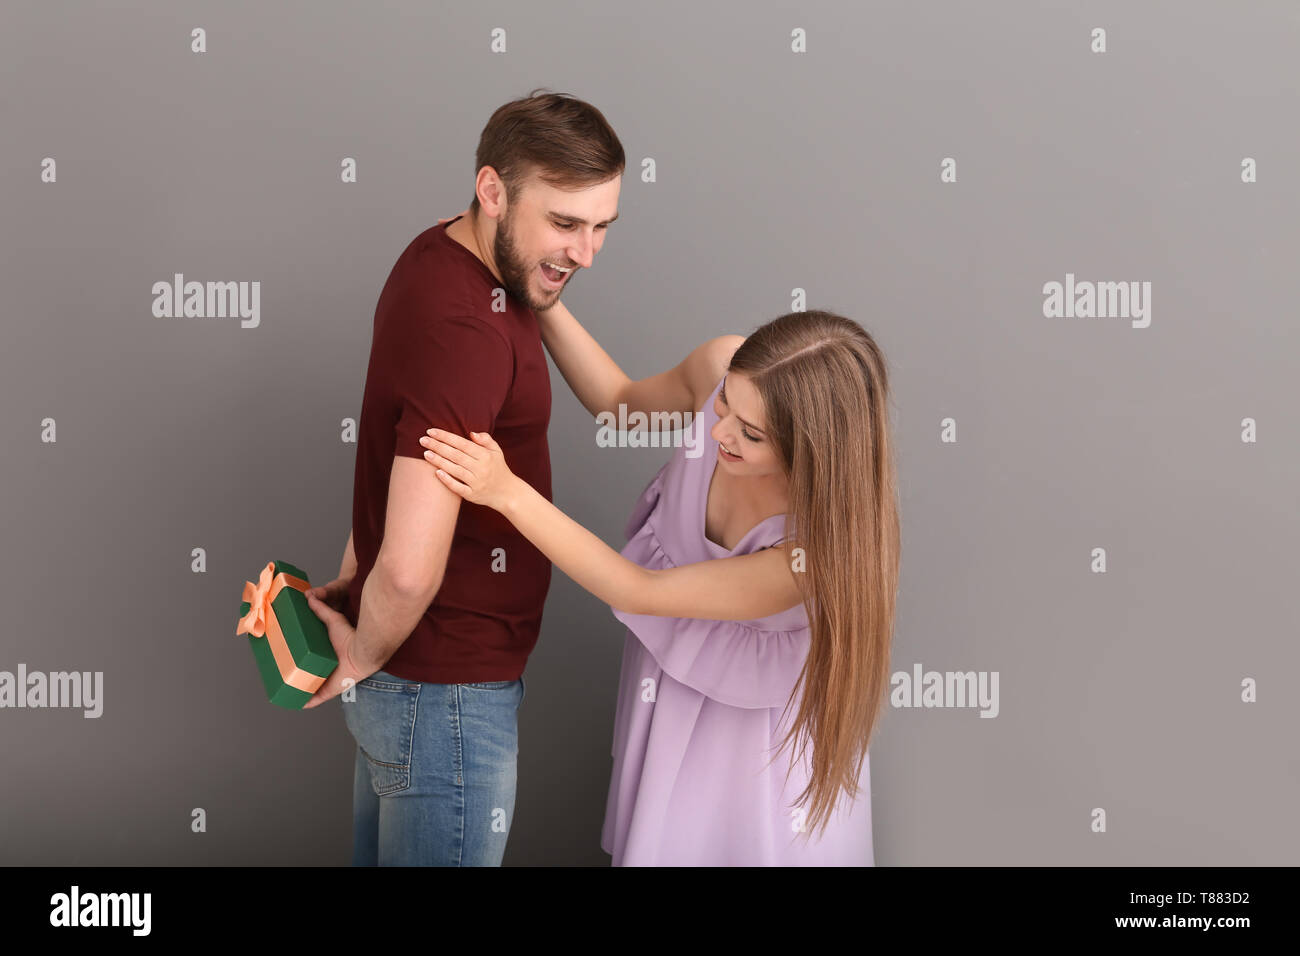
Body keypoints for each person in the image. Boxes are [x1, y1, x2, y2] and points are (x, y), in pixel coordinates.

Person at [421, 306, 901, 865]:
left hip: (754, 749)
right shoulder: (723, 363)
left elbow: (637, 591)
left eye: (751, 433)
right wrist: (540, 299)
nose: (717, 428)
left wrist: (506, 491)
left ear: (812, 449)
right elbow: (619, 404)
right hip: (670, 696)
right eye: (726, 399)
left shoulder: (810, 554)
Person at [298, 89, 625, 866]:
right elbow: (409, 571)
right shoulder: (468, 329)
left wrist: (350, 595)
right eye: (566, 223)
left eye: (603, 226)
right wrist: (363, 655)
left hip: (415, 693)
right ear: (492, 192)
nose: (586, 252)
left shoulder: (442, 258)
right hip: (442, 701)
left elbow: (392, 469)